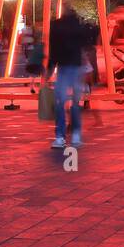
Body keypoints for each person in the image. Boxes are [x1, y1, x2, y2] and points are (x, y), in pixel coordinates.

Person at [46, 8, 91, 148]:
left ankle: (60, 136)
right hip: (76, 68)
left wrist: (49, 69)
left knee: (60, 103)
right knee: (75, 104)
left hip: (63, 68)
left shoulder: (56, 27)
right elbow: (86, 45)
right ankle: (76, 136)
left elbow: (53, 51)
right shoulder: (79, 27)